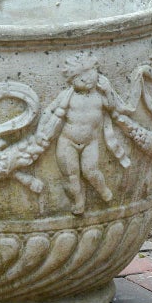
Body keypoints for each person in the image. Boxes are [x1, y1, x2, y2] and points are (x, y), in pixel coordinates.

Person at [56, 54, 129, 214]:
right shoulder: (67, 97)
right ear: (71, 80)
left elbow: (112, 106)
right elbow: (53, 114)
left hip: (90, 142)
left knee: (91, 171)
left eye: (89, 72)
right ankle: (79, 201)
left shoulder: (99, 96)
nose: (86, 78)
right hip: (67, 142)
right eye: (79, 76)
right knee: (71, 175)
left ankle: (103, 190)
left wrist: (108, 90)